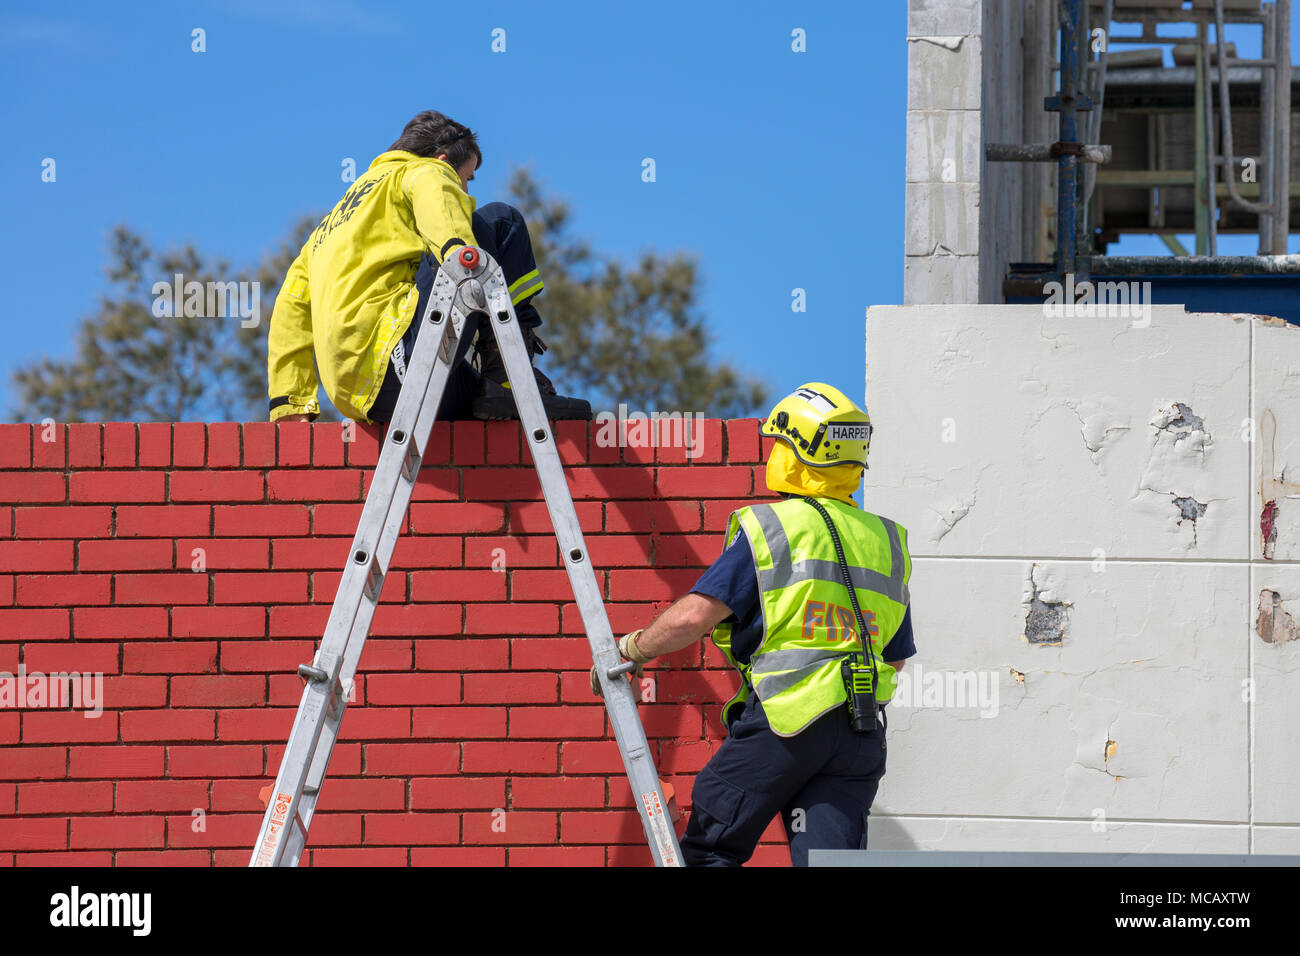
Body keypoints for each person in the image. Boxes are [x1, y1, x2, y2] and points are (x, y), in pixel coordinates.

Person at [591, 383, 915, 866]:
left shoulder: (775, 528)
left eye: (781, 443)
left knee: (710, 848)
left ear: (799, 451)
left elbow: (698, 615)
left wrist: (632, 649)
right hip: (860, 734)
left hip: (786, 722)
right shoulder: (887, 540)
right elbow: (896, 657)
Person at [267, 109, 589, 425]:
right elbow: (443, 216)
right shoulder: (422, 173)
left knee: (486, 402)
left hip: (366, 398)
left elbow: (290, 306)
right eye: (466, 178)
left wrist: (289, 404)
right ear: (443, 161)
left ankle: (499, 391)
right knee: (501, 221)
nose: (465, 191)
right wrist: (465, 260)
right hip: (402, 356)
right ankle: (508, 375)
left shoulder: (325, 229)